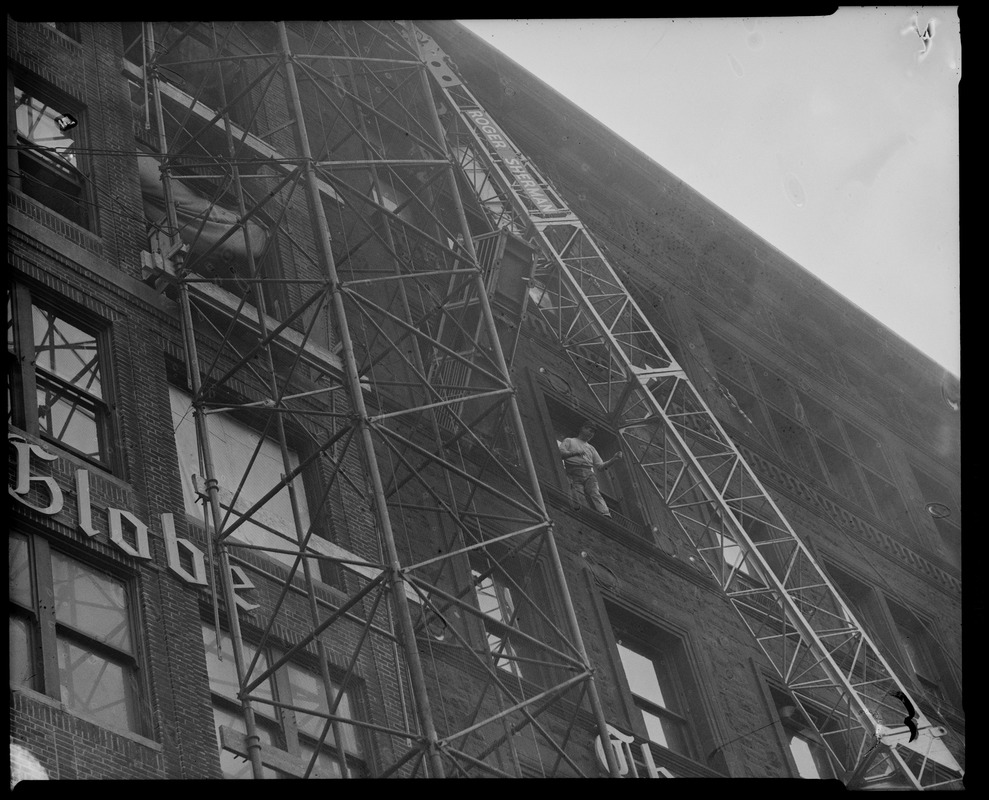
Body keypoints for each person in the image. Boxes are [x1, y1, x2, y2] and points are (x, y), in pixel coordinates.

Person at [558, 421, 623, 516]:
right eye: (590, 430)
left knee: (595, 492)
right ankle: (586, 513)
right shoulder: (570, 441)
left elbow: (600, 466)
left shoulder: (591, 448)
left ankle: (605, 514)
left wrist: (613, 459)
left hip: (588, 473)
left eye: (593, 432)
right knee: (579, 493)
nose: (591, 434)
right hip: (573, 471)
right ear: (582, 428)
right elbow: (561, 453)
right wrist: (574, 453)